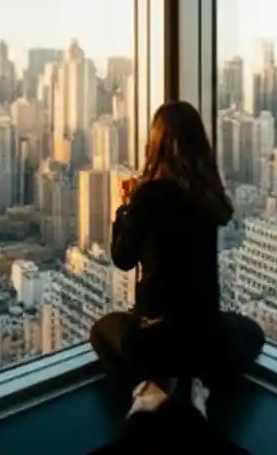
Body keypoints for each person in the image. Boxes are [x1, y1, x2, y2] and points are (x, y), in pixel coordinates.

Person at [90, 101, 265, 420]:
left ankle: (151, 388)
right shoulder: (207, 196)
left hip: (155, 340)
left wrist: (125, 208)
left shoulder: (149, 196)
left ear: (155, 145)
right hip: (205, 340)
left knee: (102, 332)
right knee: (251, 333)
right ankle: (196, 383)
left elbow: (122, 258)